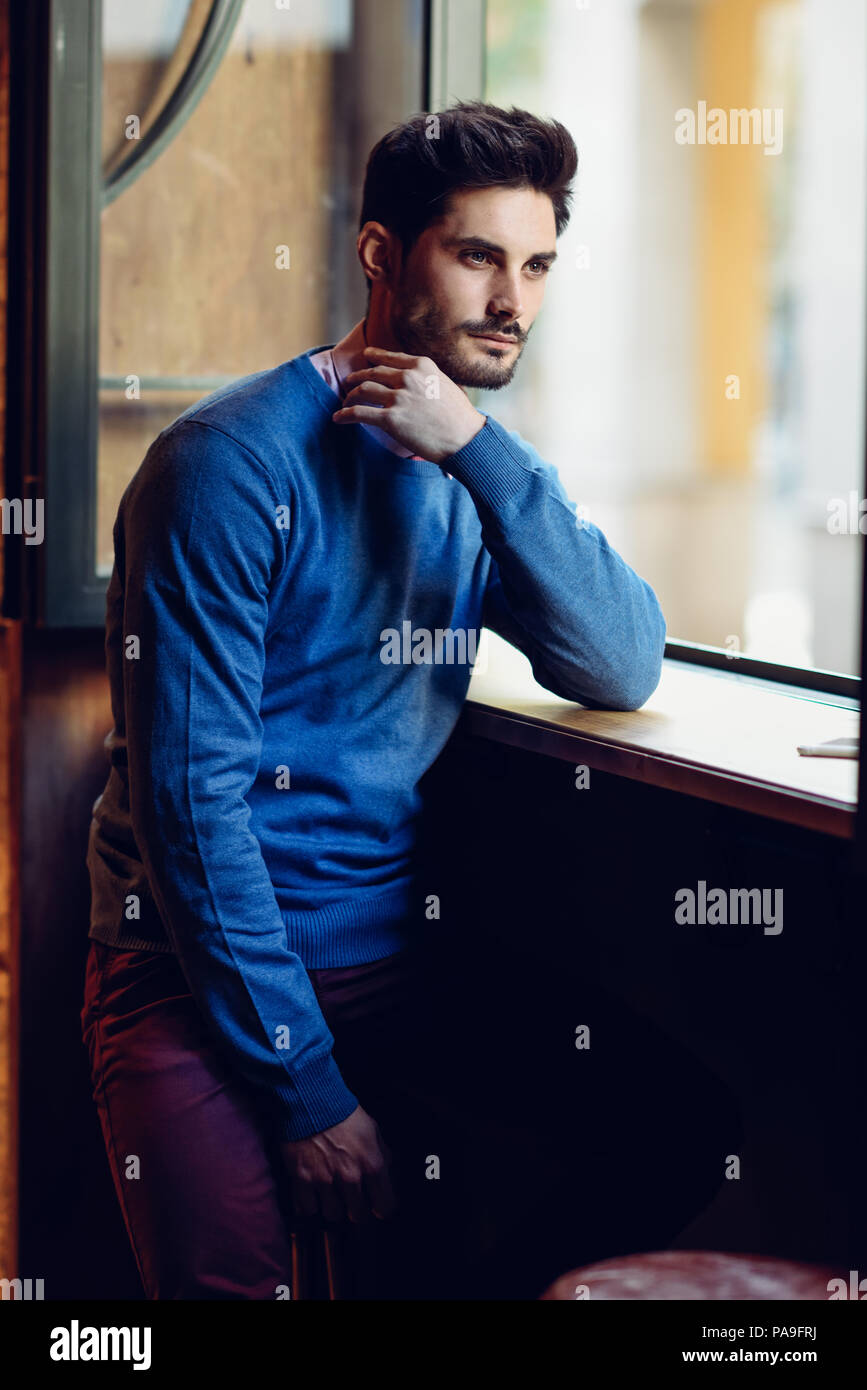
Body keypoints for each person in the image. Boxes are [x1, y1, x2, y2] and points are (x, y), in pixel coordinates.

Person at [81, 100, 719, 1301]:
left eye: (536, 264)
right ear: (382, 255)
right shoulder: (229, 464)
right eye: (477, 255)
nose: (512, 299)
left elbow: (622, 658)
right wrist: (309, 1090)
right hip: (194, 967)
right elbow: (189, 807)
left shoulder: (470, 460)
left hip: (390, 957)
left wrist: (476, 449)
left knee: (674, 1125)